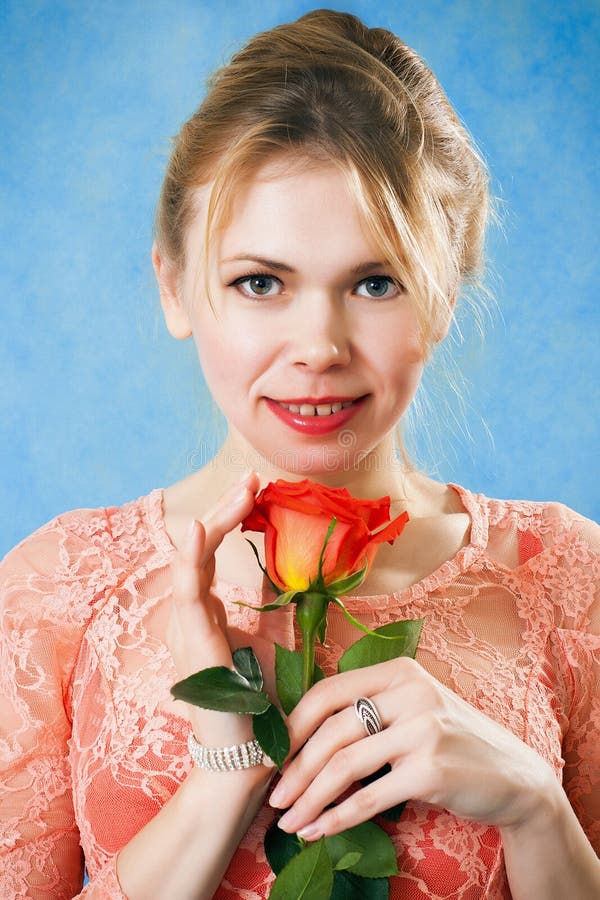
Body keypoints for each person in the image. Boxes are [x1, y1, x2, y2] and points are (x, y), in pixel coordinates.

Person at [1, 8, 598, 899]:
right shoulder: (56, 594)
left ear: (443, 295)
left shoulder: (569, 578)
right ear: (175, 286)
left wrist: (536, 810)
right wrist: (224, 776)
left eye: (376, 281)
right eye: (260, 282)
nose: (319, 345)